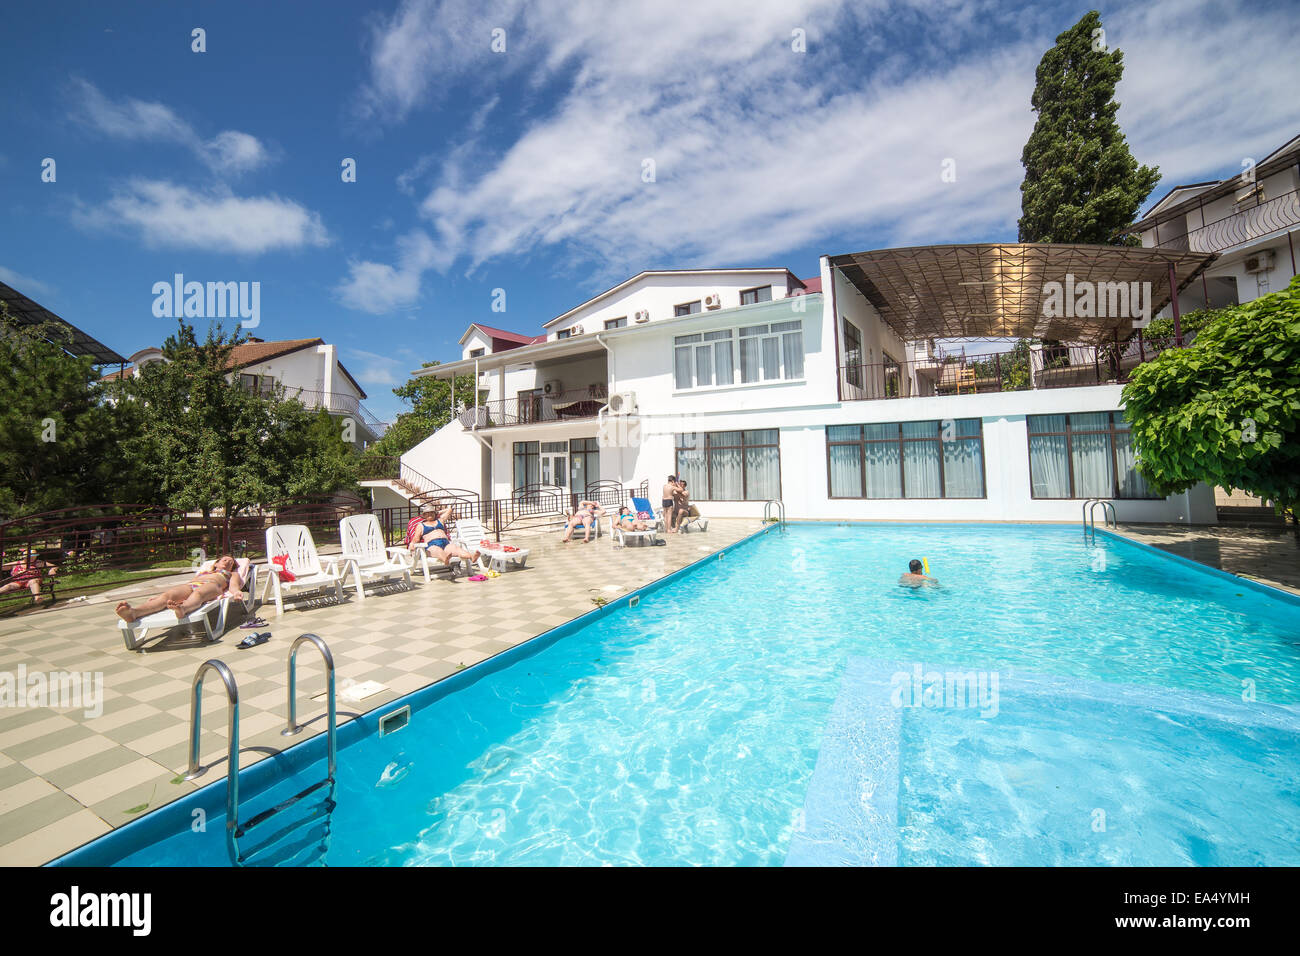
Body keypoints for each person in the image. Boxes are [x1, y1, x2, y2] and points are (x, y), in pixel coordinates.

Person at [115, 555, 245, 623]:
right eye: (225, 560)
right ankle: (134, 613)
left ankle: (183, 608)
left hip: (213, 586)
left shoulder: (232, 574)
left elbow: (234, 585)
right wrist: (159, 597)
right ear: (216, 563)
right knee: (167, 596)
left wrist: (237, 592)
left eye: (231, 562)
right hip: (192, 585)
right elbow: (191, 584)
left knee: (199, 594)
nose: (228, 562)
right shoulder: (204, 571)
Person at [409, 504, 480, 569]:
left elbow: (449, 510)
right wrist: (412, 544)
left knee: (455, 548)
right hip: (432, 545)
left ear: (435, 514)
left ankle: (472, 557)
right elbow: (416, 538)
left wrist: (438, 512)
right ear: (424, 515)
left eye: (431, 513)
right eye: (427, 513)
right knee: (438, 550)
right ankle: (446, 560)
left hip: (445, 543)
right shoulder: (421, 525)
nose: (429, 514)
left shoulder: (440, 520)